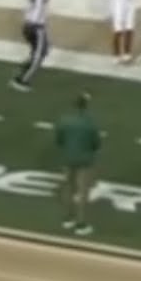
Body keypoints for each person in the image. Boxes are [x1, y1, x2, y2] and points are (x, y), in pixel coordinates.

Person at [54, 92, 102, 236]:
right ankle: (80, 224)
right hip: (84, 160)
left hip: (68, 157)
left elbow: (59, 140)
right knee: (82, 191)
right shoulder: (90, 123)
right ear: (86, 106)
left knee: (68, 187)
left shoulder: (64, 120)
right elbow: (96, 144)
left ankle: (67, 218)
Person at [10, 0, 61, 91]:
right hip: (37, 29)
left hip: (27, 26)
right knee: (39, 55)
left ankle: (26, 66)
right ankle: (22, 80)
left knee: (41, 50)